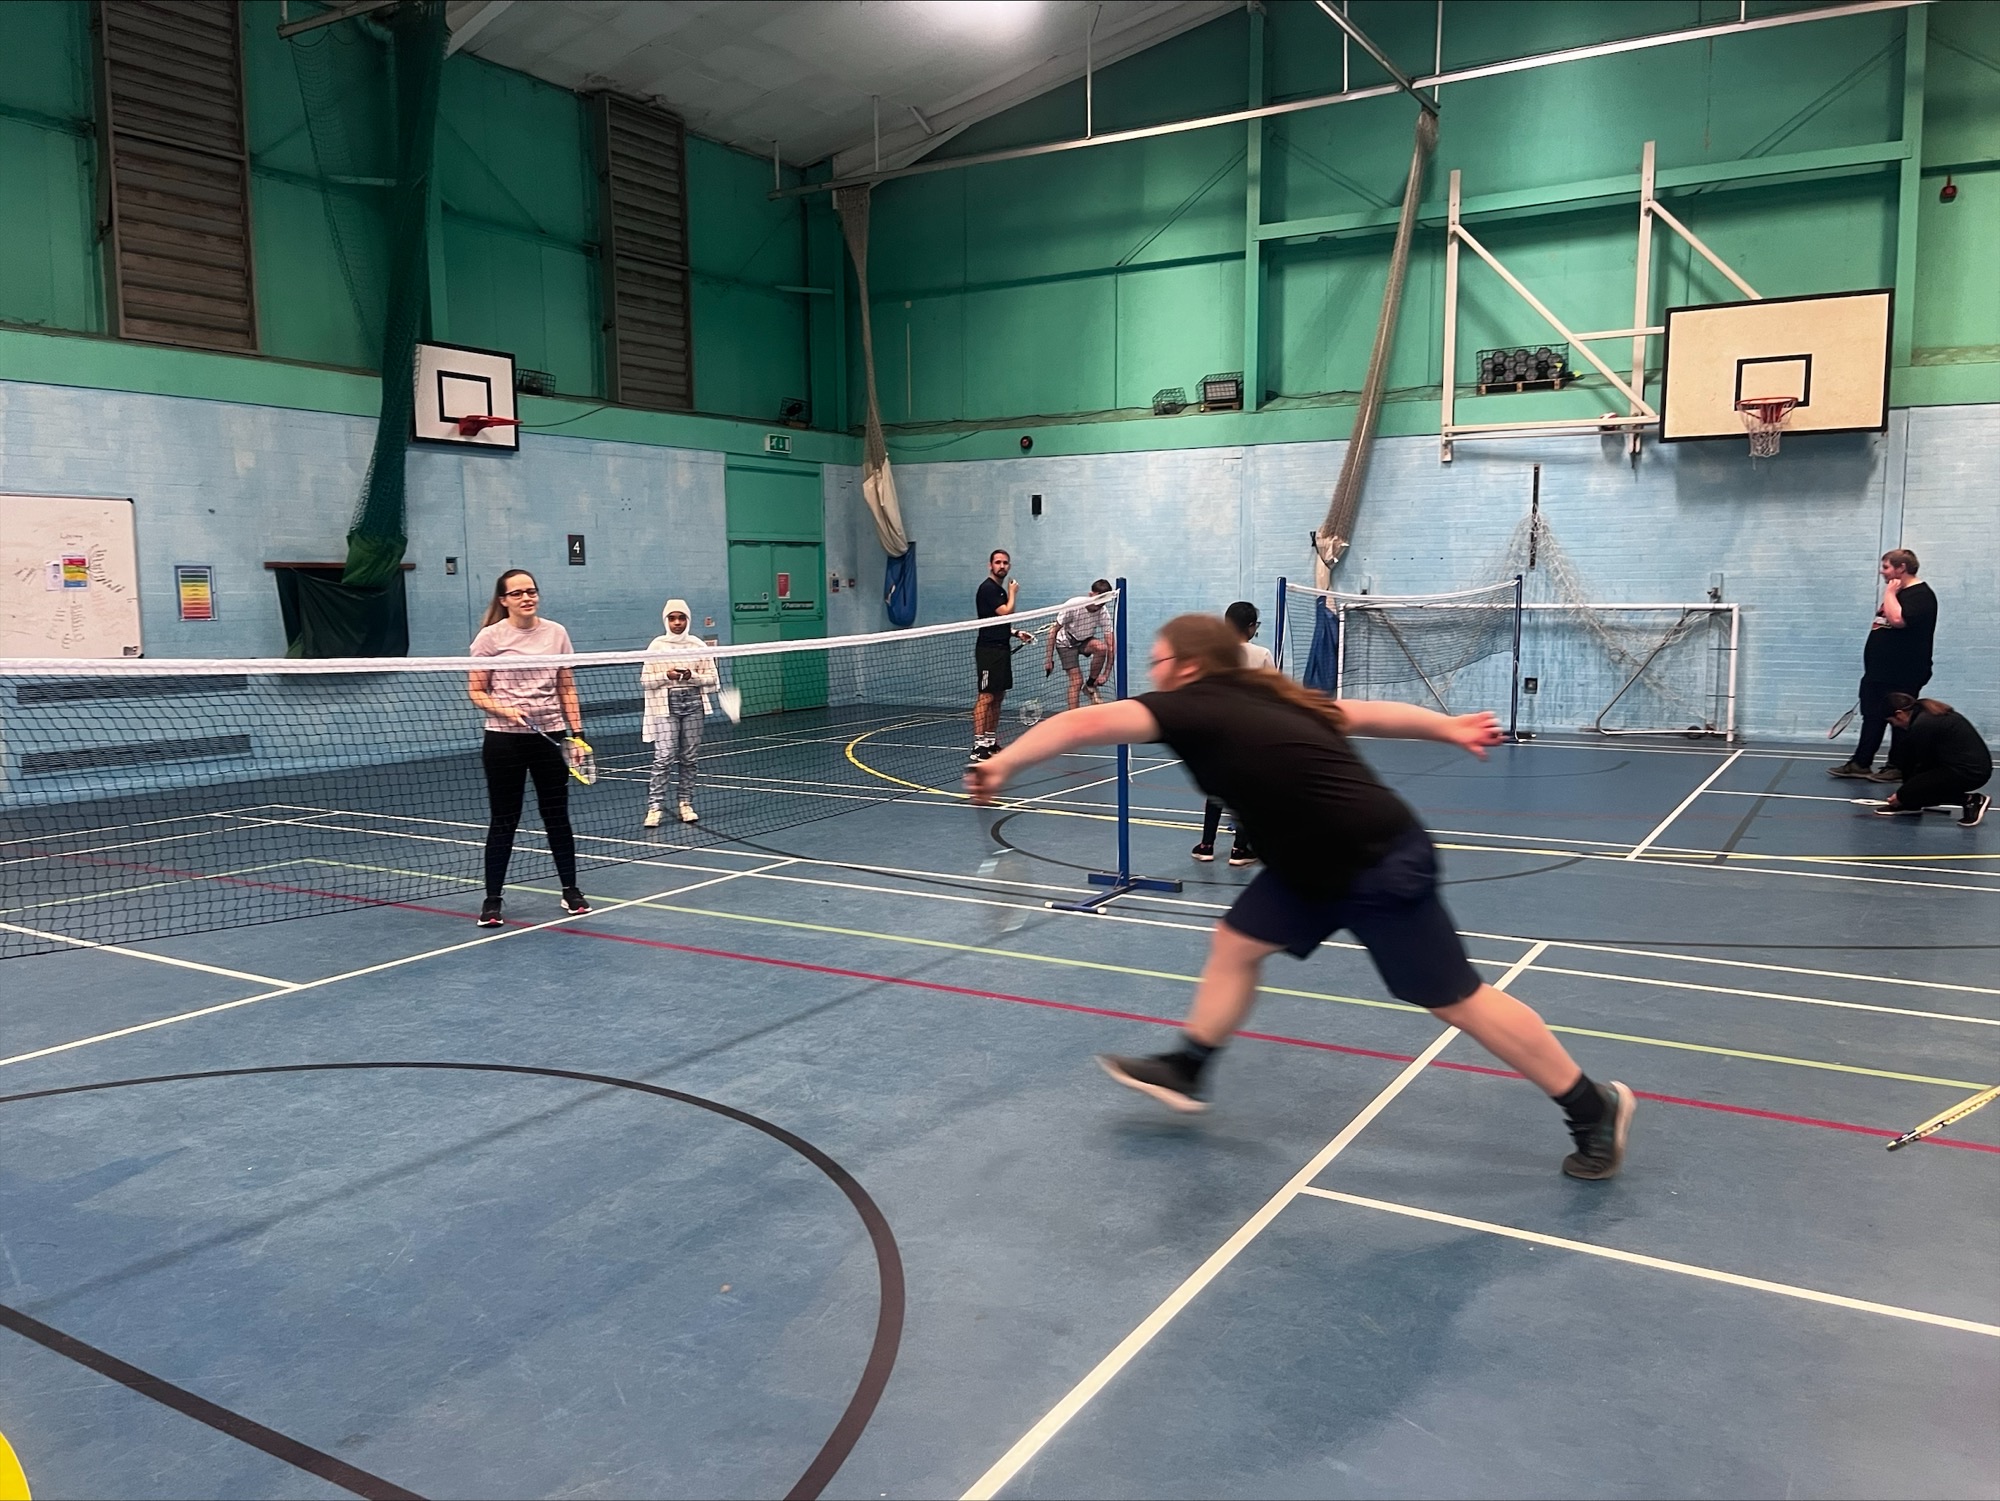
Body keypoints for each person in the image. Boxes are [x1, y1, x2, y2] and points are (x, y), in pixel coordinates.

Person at [967, 612, 1635, 1180]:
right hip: (1308, 868)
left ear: (1190, 667)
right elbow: (1366, 714)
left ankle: (1591, 1106)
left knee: (1456, 999)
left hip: (1374, 862)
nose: (1153, 670)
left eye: (1158, 660)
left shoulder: (1190, 705)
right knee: (1236, 942)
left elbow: (1082, 726)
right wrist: (1448, 726)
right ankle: (1189, 1065)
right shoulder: (1276, 695)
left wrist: (1002, 762)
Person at [467, 569, 590, 926]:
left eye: (531, 591)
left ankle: (571, 890)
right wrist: (507, 711)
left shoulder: (556, 633)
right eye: (517, 593)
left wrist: (576, 734)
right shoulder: (490, 638)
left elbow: (566, 686)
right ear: (504, 600)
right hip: (503, 741)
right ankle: (492, 901)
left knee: (557, 818)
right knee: (504, 820)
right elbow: (476, 690)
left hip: (549, 737)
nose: (526, 598)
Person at [1829, 549, 1937, 783]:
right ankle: (1861, 763)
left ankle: (1897, 766)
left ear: (1901, 569)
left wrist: (1890, 591)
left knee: (1900, 719)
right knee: (1872, 717)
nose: (1882, 571)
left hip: (1904, 672)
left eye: (1886, 567)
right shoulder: (1899, 593)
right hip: (1878, 673)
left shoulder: (1920, 595)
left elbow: (1898, 621)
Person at [1192, 601, 1273, 868]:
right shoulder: (1261, 654)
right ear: (1251, 627)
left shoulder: (1211, 654)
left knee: (1216, 791)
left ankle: (1206, 845)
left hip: (1217, 733)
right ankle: (1240, 849)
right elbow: (1273, 695)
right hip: (1251, 733)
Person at [641, 598, 718, 828]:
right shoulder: (657, 646)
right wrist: (668, 676)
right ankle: (655, 808)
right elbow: (645, 681)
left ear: (688, 619)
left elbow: (713, 681)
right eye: (672, 618)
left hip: (694, 703)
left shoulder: (697, 646)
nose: (677, 623)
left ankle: (685, 803)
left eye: (681, 618)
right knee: (664, 757)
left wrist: (691, 677)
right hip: (665, 705)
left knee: (689, 757)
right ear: (666, 620)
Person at [1870, 695, 1990, 826]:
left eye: (1892, 722)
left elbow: (1924, 764)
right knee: (1911, 784)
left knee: (1913, 789)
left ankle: (1970, 800)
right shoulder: (1925, 713)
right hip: (1967, 767)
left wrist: (1903, 795)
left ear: (1899, 714)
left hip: (1969, 772)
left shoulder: (1923, 724)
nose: (1896, 726)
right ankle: (1910, 804)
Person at [971, 549, 1034, 764]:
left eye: (1005, 563)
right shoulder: (988, 589)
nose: (1002, 566)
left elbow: (998, 622)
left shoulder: (997, 591)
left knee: (998, 696)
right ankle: (978, 745)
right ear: (990, 565)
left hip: (1002, 648)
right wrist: (1013, 591)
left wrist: (1016, 633)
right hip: (988, 650)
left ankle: (990, 741)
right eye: (998, 562)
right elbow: (1006, 612)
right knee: (986, 697)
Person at [1046, 580, 1116, 711]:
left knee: (1102, 648)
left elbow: (1111, 645)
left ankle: (1090, 685)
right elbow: (1053, 631)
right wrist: (1049, 659)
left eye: (1104, 602)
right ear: (1091, 594)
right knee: (1076, 681)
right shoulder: (1073, 605)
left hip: (1084, 640)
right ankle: (1073, 716)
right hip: (1066, 643)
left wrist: (1106, 673)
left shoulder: (1103, 612)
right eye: (1099, 600)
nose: (1100, 605)